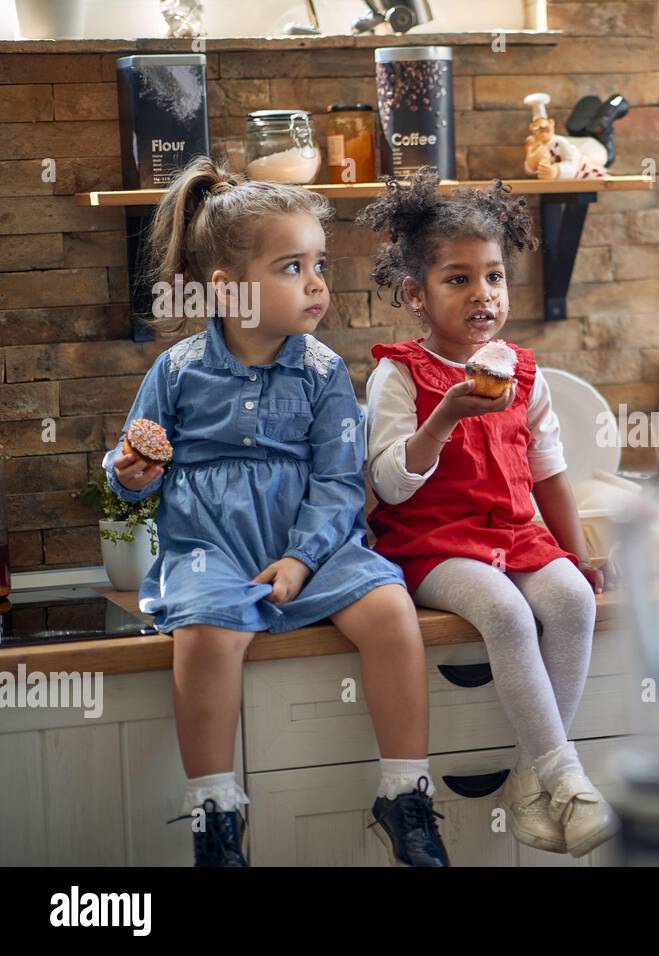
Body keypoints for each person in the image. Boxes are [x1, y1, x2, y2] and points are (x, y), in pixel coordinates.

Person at [105, 158, 447, 867]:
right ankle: (215, 812)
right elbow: (132, 473)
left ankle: (405, 791)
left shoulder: (322, 373)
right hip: (212, 550)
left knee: (390, 611)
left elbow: (338, 486)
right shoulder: (175, 373)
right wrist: (132, 471)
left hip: (313, 548)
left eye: (318, 262)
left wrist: (300, 559)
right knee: (204, 631)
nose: (317, 282)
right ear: (228, 289)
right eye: (292, 266)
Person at [358, 168, 618, 858]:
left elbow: (550, 474)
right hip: (433, 545)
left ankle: (532, 780)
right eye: (458, 279)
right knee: (503, 612)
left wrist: (578, 552)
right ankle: (569, 780)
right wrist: (444, 416)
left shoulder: (523, 373)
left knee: (570, 601)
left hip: (516, 535)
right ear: (416, 293)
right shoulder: (400, 373)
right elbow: (389, 486)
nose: (483, 294)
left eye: (495, 277)